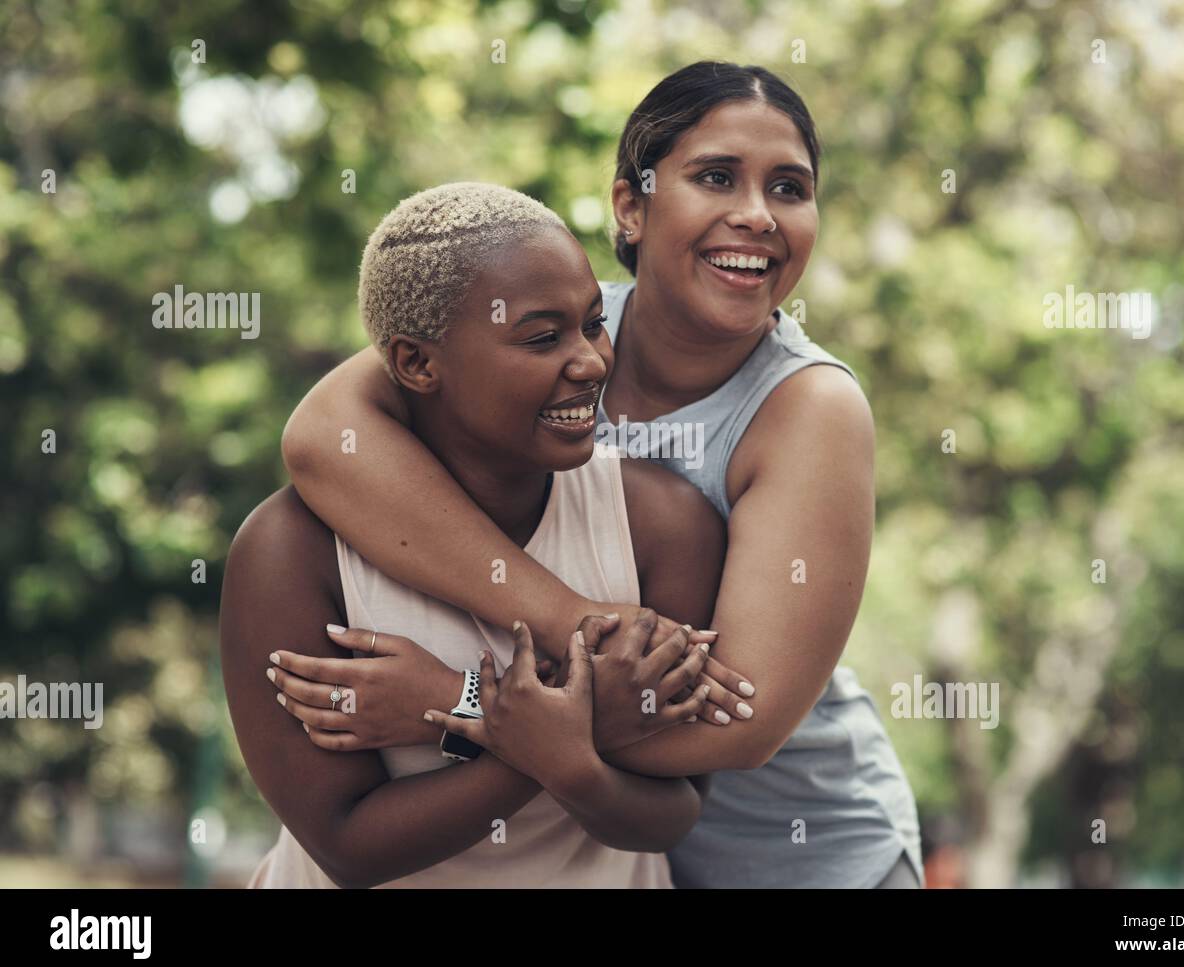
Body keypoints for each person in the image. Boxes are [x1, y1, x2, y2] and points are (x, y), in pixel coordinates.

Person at [277, 62, 924, 888]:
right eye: (717, 176)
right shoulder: (552, 323)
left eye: (790, 188)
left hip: (808, 857)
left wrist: (456, 701)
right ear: (631, 205)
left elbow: (742, 724)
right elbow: (326, 439)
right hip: (622, 860)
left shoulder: (811, 406)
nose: (757, 214)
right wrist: (592, 624)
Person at [221, 182, 727, 887]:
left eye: (593, 323)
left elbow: (672, 812)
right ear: (417, 364)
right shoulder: (292, 550)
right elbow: (349, 843)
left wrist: (478, 715)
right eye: (543, 337)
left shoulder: (663, 526)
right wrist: (562, 738)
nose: (591, 362)